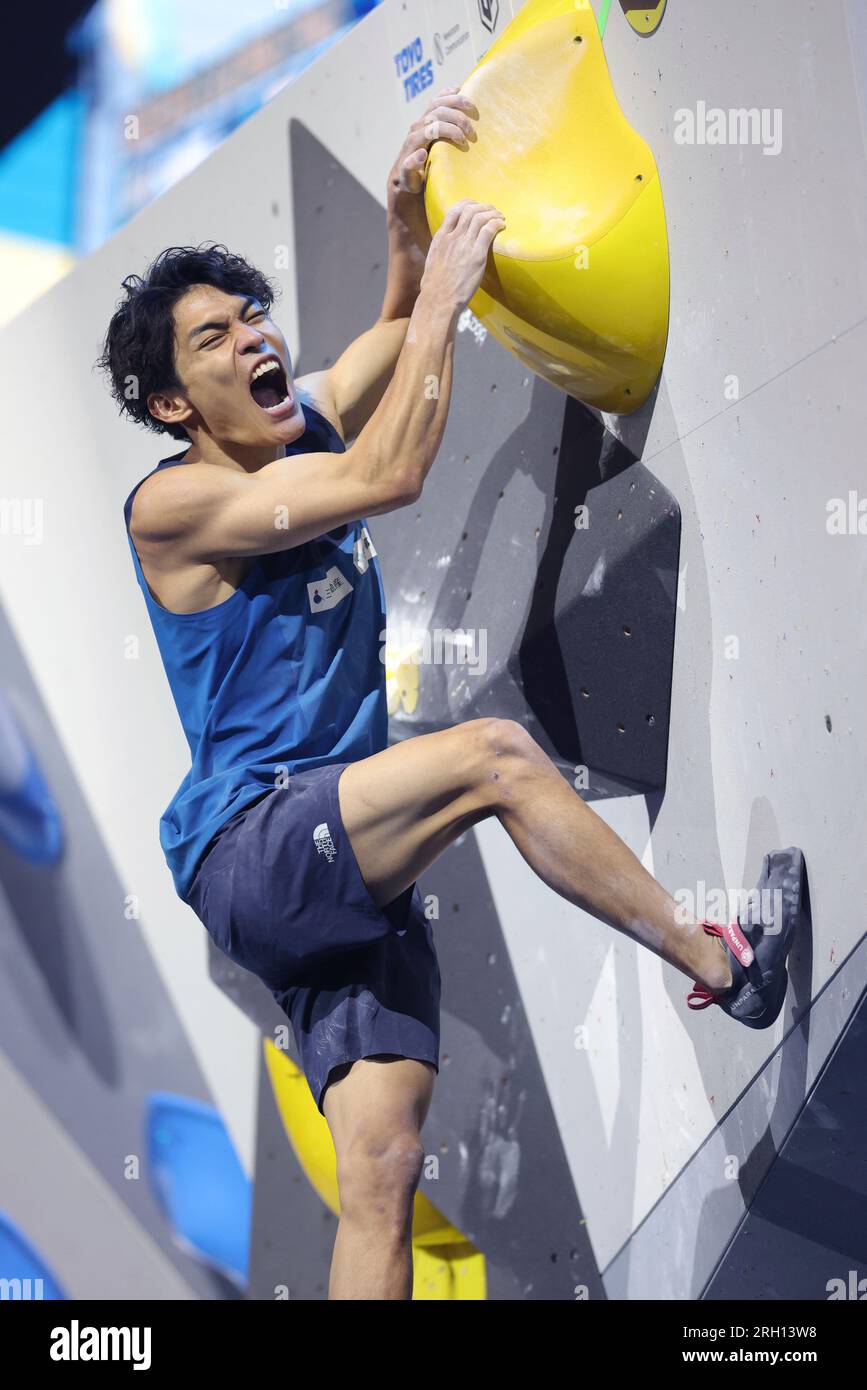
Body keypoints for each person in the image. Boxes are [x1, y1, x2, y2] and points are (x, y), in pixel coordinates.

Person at [98, 87, 805, 1300]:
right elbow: (396, 467)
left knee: (380, 1174)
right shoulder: (176, 504)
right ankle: (725, 963)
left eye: (249, 316)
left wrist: (405, 234)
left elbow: (383, 347)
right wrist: (442, 303)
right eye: (211, 339)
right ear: (172, 406)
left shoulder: (295, 424)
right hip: (258, 844)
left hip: (328, 872)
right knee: (493, 757)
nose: (250, 338)